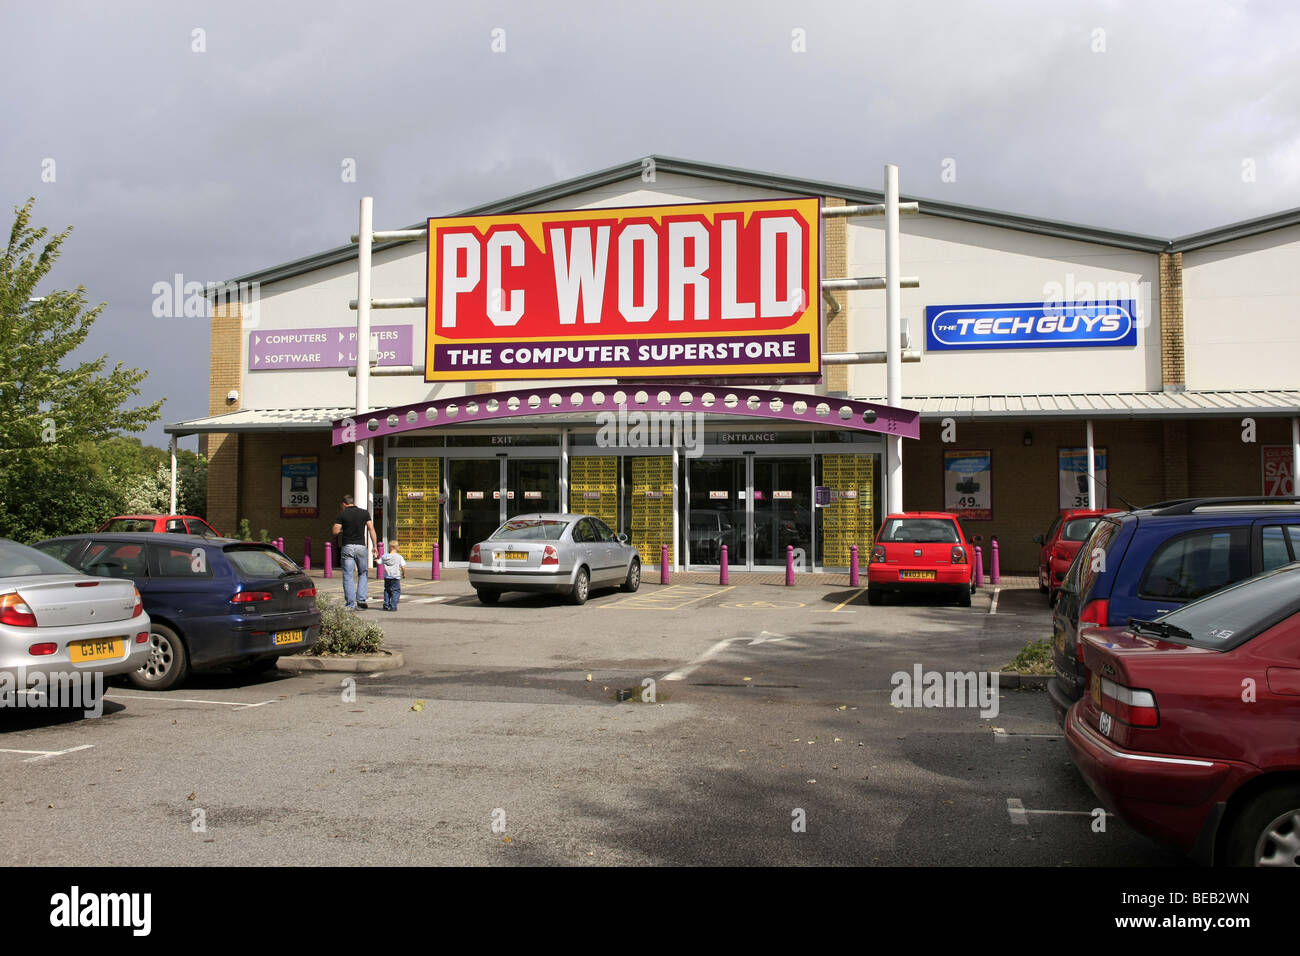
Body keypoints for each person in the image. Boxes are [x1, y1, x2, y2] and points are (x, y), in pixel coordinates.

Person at [332, 494, 377, 609]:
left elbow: (335, 531)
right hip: (361, 547)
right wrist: (375, 546)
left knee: (348, 575)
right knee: (363, 573)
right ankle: (361, 599)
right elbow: (371, 529)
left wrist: (343, 528)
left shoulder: (342, 514)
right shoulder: (364, 513)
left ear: (344, 504)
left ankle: (350, 604)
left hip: (347, 547)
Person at [381, 540, 406, 611]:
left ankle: (386, 604)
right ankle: (393, 605)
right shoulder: (399, 557)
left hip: (387, 577)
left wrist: (375, 557)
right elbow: (403, 567)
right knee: (396, 591)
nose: (399, 547)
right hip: (396, 577)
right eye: (398, 546)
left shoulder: (385, 556)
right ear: (395, 547)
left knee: (387, 590)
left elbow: (379, 562)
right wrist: (403, 574)